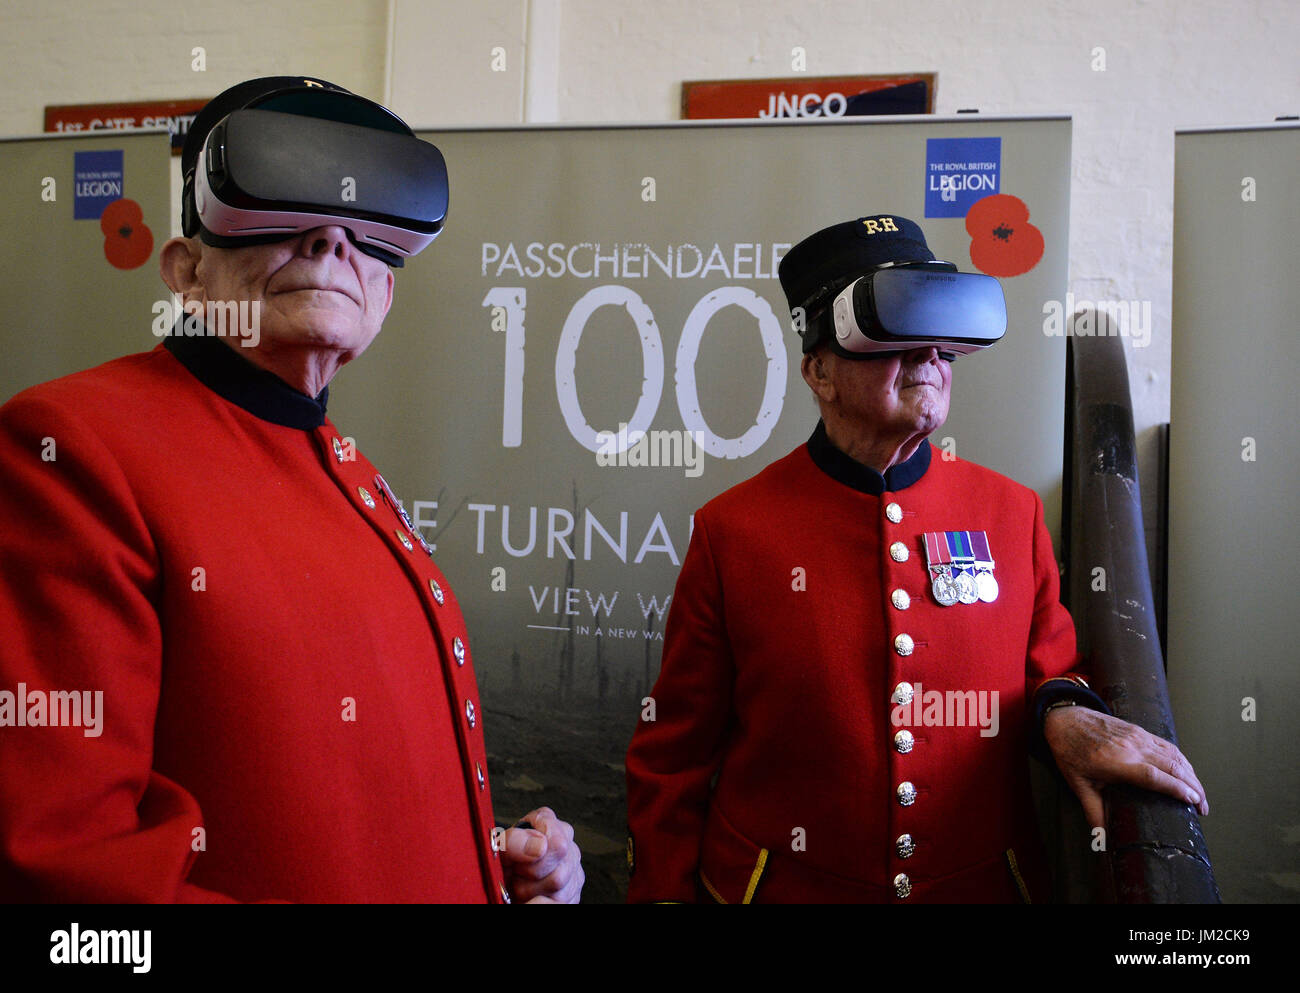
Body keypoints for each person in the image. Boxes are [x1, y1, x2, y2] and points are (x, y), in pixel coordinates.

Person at [0, 76, 581, 904]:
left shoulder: (354, 475)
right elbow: (62, 872)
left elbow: (326, 807)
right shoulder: (73, 448)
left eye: (361, 230)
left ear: (383, 292)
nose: (330, 237)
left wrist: (490, 860)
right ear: (186, 270)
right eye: (284, 210)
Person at [623, 214, 1207, 903]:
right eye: (895, 333)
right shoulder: (733, 532)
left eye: (941, 340)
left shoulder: (1010, 514)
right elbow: (672, 758)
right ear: (819, 371)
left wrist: (1067, 715)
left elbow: (1052, 671)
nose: (931, 355)